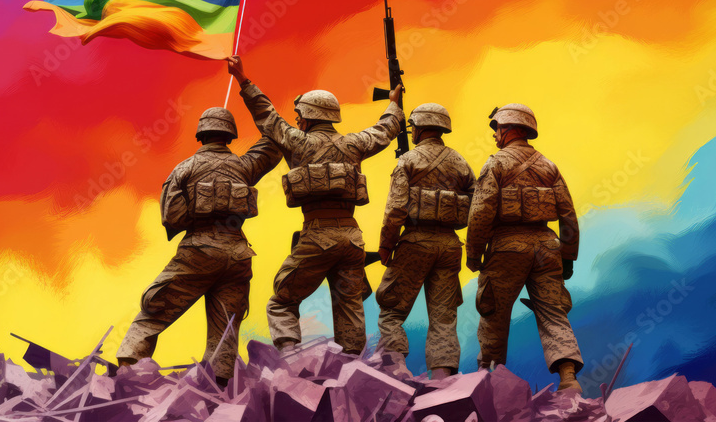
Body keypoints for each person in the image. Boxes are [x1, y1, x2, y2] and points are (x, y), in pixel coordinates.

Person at [227, 55, 403, 355]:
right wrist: (395, 103)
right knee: (349, 309)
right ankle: (352, 368)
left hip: (317, 235)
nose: (297, 120)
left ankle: (291, 361)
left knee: (282, 302)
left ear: (307, 117)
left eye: (299, 116)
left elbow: (266, 115)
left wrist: (243, 79)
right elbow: (386, 129)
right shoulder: (354, 144)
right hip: (352, 238)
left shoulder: (299, 141)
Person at [115, 107, 281, 385]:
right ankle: (220, 387)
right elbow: (274, 139)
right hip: (238, 255)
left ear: (201, 134)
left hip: (198, 252)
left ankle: (128, 373)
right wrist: (248, 90)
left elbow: (172, 216)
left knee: (153, 310)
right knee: (225, 328)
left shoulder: (185, 168)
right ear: (230, 134)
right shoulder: (246, 166)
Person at [466, 103, 584, 393]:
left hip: (507, 247)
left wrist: (473, 252)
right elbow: (568, 215)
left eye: (497, 128)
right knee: (554, 312)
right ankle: (569, 379)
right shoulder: (549, 166)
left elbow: (480, 212)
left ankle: (489, 378)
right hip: (546, 247)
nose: (495, 135)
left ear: (509, 129)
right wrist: (567, 255)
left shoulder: (495, 164)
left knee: (494, 312)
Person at [375, 103, 476, 379]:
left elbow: (395, 209)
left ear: (417, 128)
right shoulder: (460, 161)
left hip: (415, 242)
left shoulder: (408, 161)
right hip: (450, 245)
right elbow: (478, 203)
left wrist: (386, 245)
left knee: (392, 310)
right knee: (443, 317)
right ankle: (443, 380)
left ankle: (396, 370)